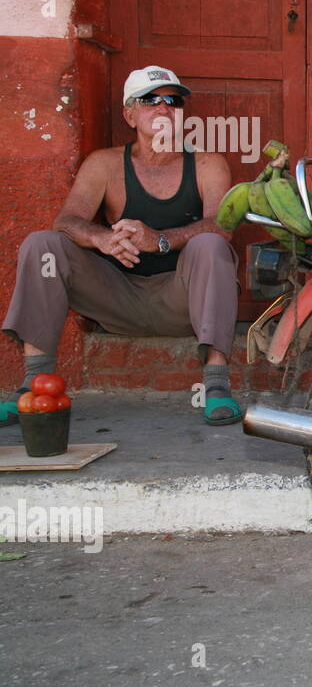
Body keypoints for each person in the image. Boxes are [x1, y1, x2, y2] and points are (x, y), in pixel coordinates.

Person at [0, 65, 242, 427]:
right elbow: (67, 221)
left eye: (173, 101)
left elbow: (221, 226)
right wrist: (104, 239)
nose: (163, 108)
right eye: (150, 101)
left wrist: (159, 240)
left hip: (182, 301)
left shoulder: (208, 164)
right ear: (130, 114)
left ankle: (217, 386)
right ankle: (35, 387)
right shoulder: (105, 163)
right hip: (117, 296)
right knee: (43, 245)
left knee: (210, 244)